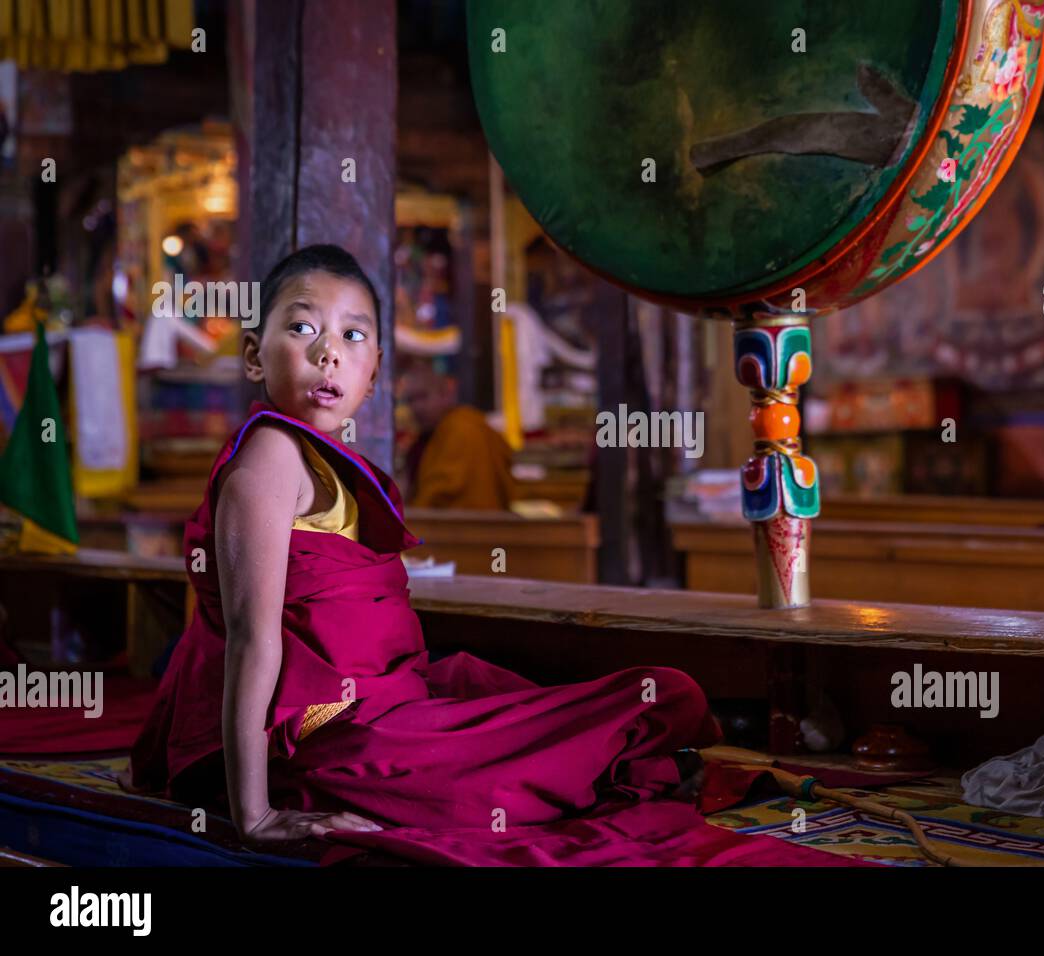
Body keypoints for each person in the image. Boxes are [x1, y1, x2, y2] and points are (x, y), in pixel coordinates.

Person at [124, 245, 725, 852]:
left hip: (386, 702)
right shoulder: (269, 458)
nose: (327, 351)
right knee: (598, 726)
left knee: (630, 698)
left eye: (352, 335)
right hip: (327, 741)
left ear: (375, 371)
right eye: (302, 326)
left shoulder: (327, 459)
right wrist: (252, 814)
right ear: (254, 354)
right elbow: (252, 640)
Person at [400, 363, 515, 510]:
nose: (417, 407)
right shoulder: (431, 436)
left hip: (467, 529)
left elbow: (439, 495)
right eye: (411, 400)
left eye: (423, 396)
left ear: (445, 395)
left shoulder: (464, 430)